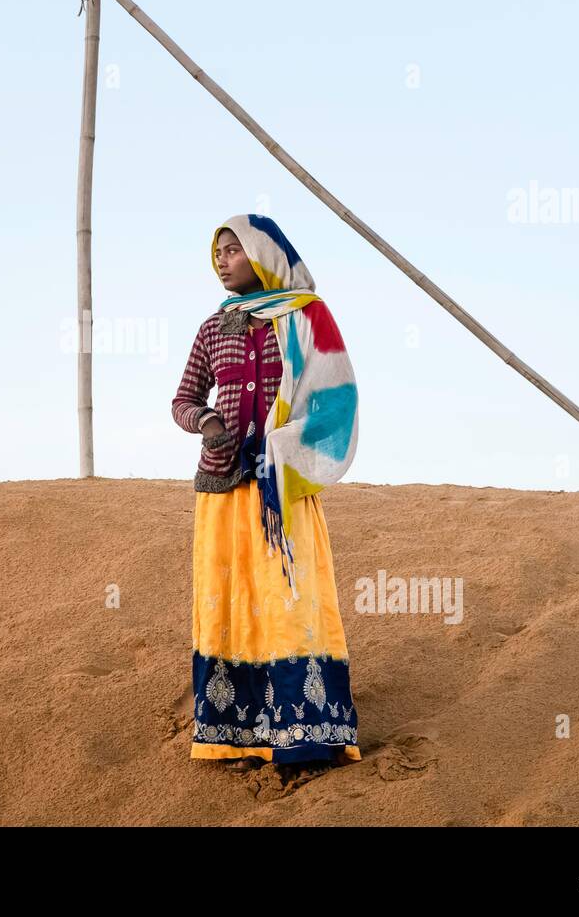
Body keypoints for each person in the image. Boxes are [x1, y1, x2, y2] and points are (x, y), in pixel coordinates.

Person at [171, 214, 362, 770]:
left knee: (288, 595)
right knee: (230, 600)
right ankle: (235, 730)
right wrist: (206, 421)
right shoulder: (213, 327)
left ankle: (306, 733)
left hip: (283, 487)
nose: (222, 261)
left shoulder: (308, 315)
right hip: (223, 488)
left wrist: (285, 445)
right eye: (218, 254)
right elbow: (181, 398)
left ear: (264, 254)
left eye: (233, 250)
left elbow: (338, 400)